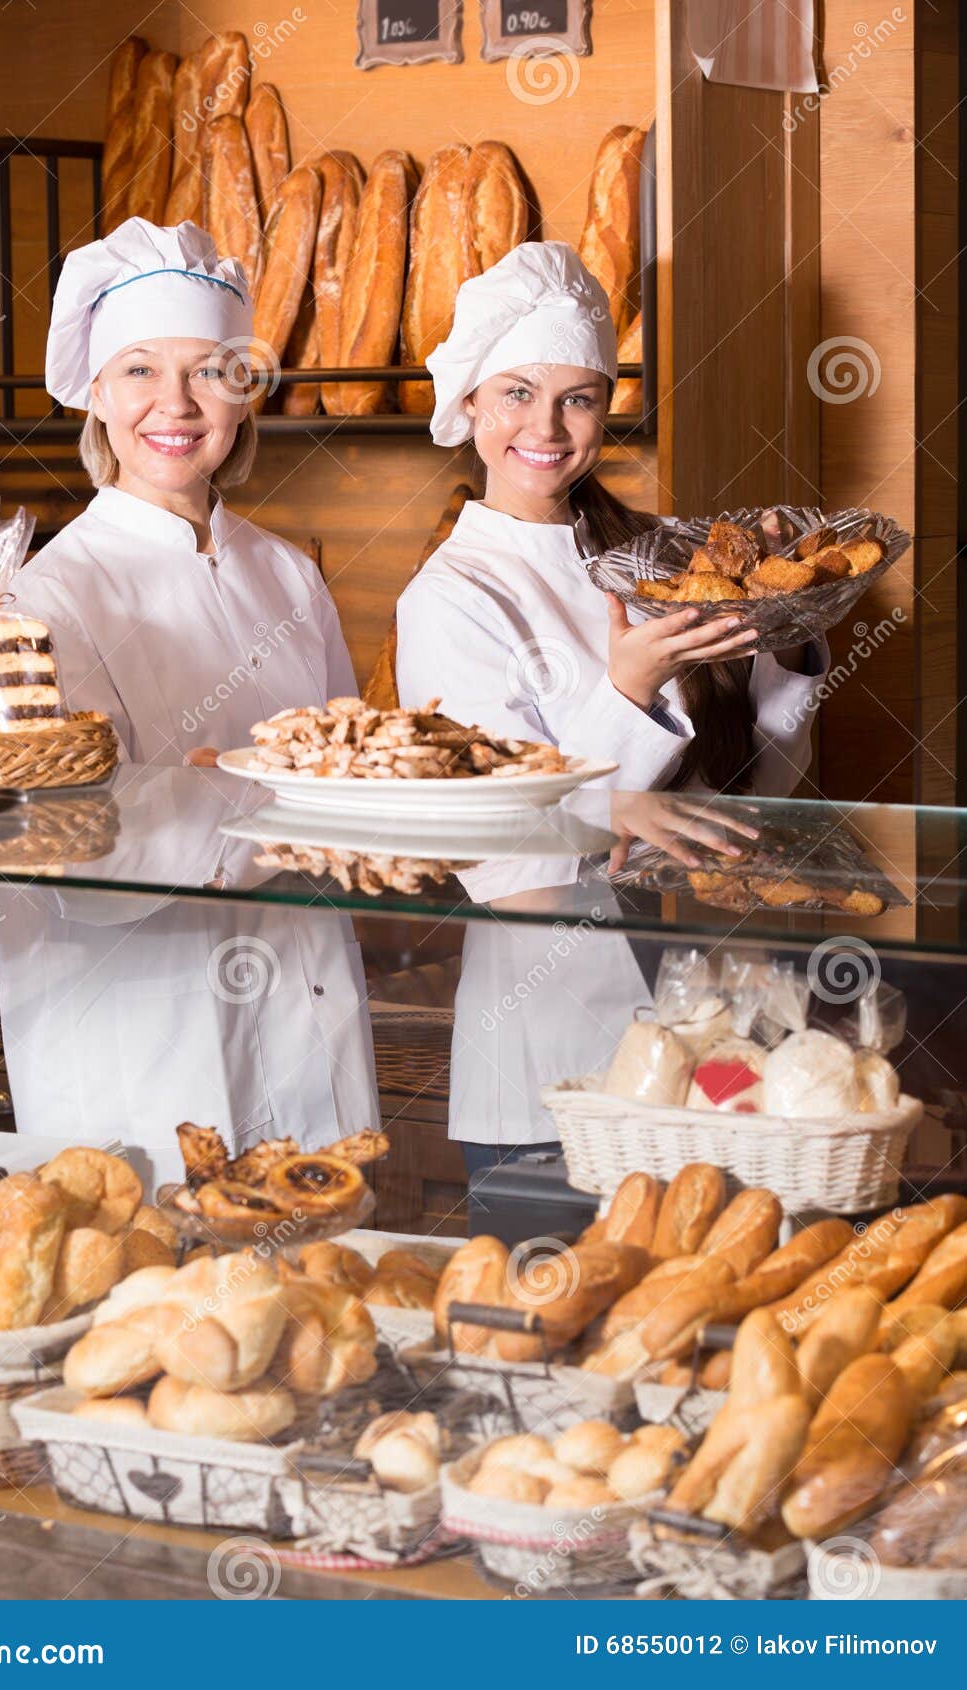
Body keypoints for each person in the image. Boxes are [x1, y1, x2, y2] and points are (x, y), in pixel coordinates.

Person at [395, 241, 826, 1189]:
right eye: (515, 393)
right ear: (469, 403)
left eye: (577, 398)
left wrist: (787, 639)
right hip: (554, 1060)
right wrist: (627, 691)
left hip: (715, 1043)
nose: (546, 427)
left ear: (605, 407)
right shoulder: (450, 597)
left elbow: (752, 789)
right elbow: (506, 866)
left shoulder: (657, 555)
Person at [0, 219, 377, 1186]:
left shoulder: (288, 575)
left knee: (326, 1270)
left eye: (208, 371)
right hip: (144, 1052)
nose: (175, 403)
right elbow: (69, 838)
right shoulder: (45, 596)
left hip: (308, 1026)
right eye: (139, 371)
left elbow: (355, 780)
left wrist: (259, 796)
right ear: (95, 393)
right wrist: (260, 801)